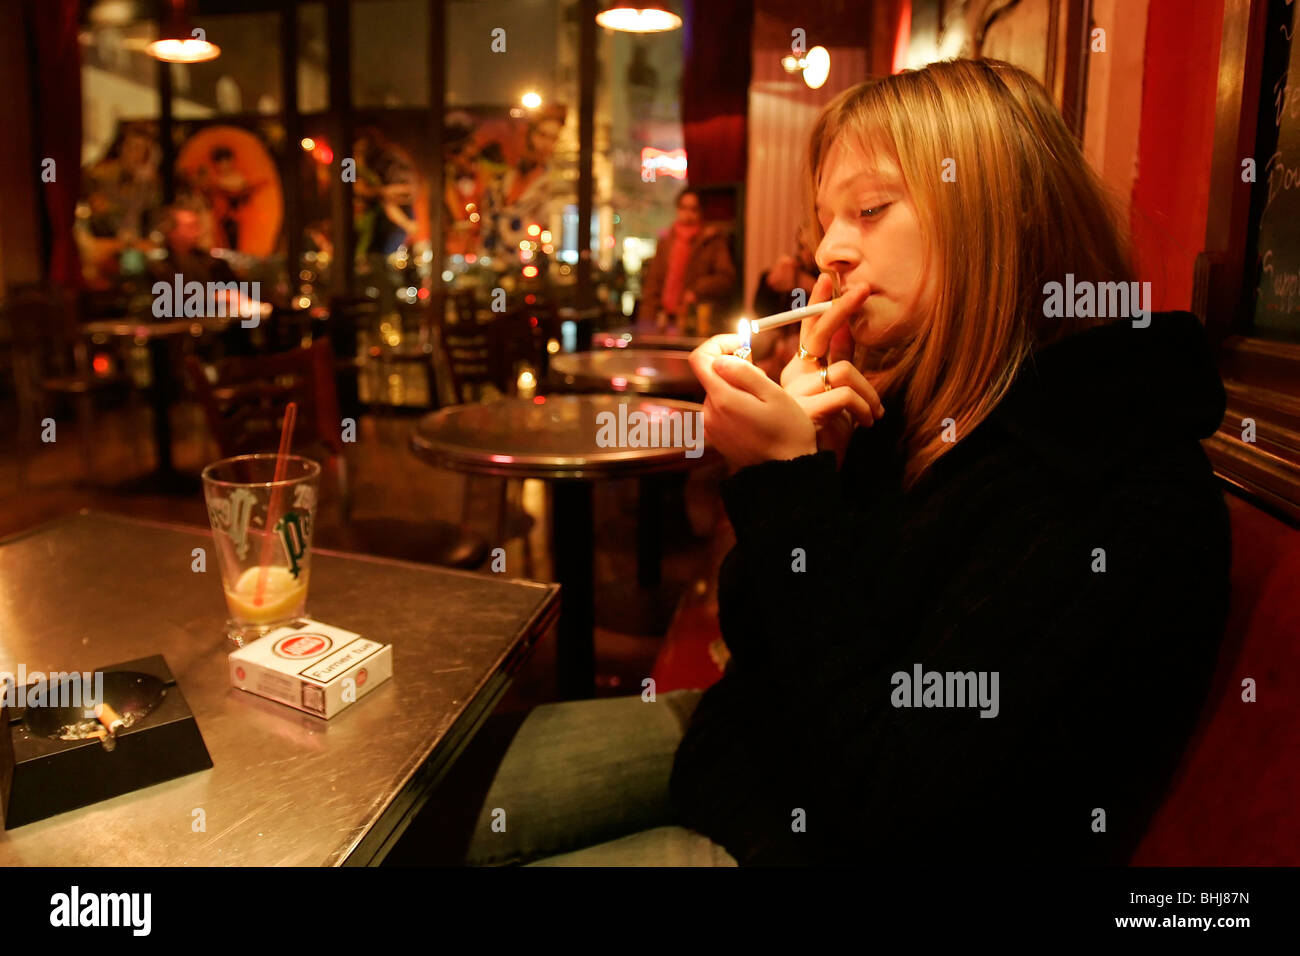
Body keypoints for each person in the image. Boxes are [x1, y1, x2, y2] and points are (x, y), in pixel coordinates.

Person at [396, 59, 1229, 867]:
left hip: (826, 833)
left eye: (869, 209)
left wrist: (784, 485)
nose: (828, 250)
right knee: (407, 797)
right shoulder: (912, 413)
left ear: (998, 216)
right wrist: (806, 472)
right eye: (824, 219)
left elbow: (891, 801)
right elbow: (764, 645)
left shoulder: (1114, 487)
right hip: (761, 753)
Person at [639, 187, 737, 331]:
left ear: (700, 212)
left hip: (695, 319)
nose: (688, 214)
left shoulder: (711, 240)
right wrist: (646, 320)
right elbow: (653, 283)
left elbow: (725, 277)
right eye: (683, 208)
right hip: (663, 318)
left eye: (693, 209)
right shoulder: (667, 241)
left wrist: (696, 291)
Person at [751, 229, 819, 379]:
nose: (806, 253)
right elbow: (761, 310)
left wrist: (804, 283)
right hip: (780, 338)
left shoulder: (825, 275)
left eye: (812, 247)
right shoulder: (790, 267)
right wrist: (769, 284)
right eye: (802, 247)